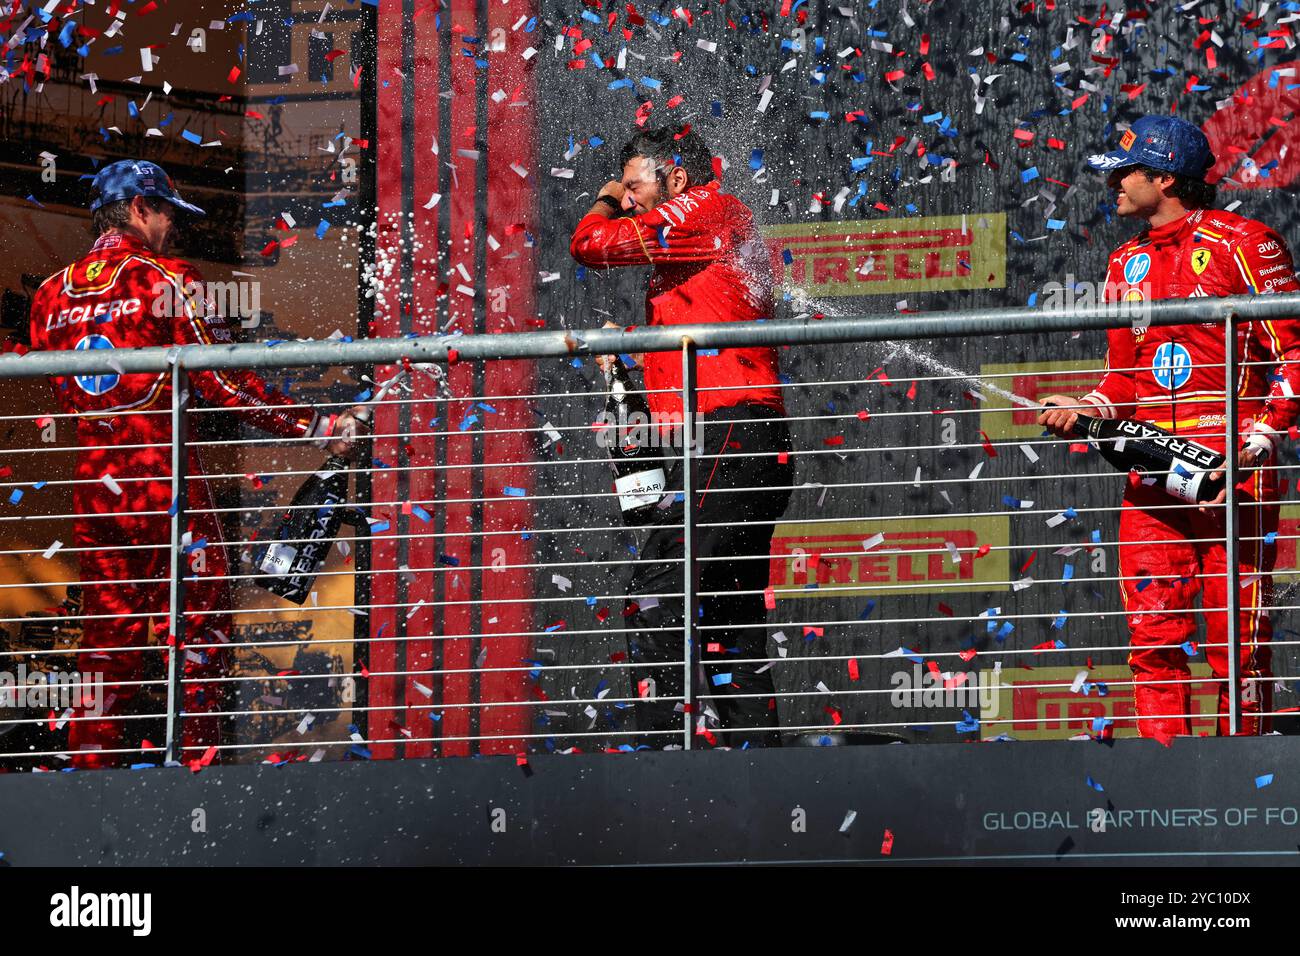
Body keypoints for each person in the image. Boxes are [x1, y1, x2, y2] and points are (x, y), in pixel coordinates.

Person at [28, 160, 365, 768]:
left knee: (107, 643)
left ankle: (86, 780)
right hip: (164, 484)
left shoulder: (49, 294)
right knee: (200, 628)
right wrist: (318, 426)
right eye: (165, 215)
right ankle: (198, 779)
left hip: (95, 494)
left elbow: (67, 394)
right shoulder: (168, 275)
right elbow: (221, 382)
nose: (170, 230)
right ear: (139, 209)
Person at [1038, 115, 1300, 740]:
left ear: (1165, 177)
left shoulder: (1248, 242)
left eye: (1125, 173)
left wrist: (1262, 436)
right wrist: (1086, 409)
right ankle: (1165, 775)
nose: (1114, 184)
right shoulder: (1124, 260)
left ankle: (1244, 777)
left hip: (1235, 470)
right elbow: (1122, 380)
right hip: (1154, 471)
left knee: (1237, 637)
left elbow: (1294, 355)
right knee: (1153, 634)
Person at [569, 125, 793, 748]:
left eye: (635, 183)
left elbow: (589, 243)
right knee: (727, 615)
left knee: (656, 594)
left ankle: (663, 765)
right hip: (727, 441)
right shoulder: (698, 240)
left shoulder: (710, 205)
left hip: (734, 435)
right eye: (624, 189)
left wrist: (606, 198)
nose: (628, 196)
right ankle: (763, 779)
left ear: (677, 180)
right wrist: (628, 360)